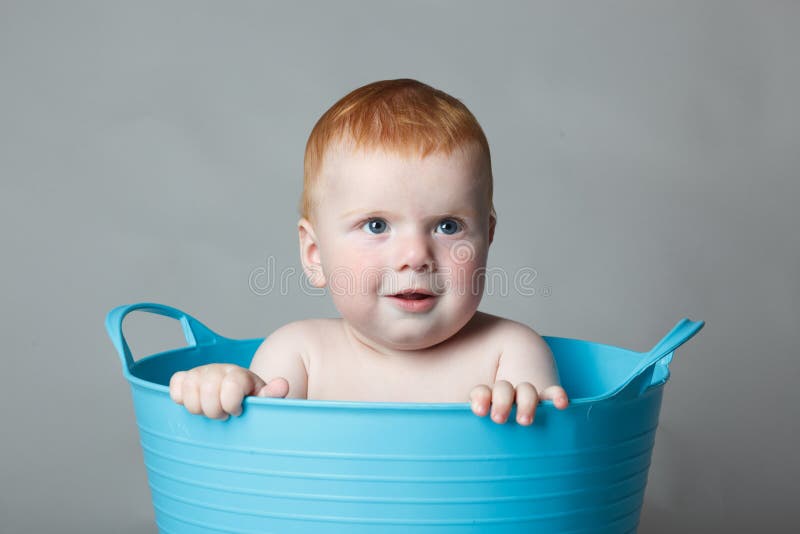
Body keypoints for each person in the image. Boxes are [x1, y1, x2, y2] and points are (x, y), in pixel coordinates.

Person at [169, 79, 569, 425]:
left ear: (488, 237)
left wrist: (519, 406)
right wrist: (225, 390)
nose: (415, 255)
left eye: (448, 226)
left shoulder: (510, 351)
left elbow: (544, 459)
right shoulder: (300, 355)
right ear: (314, 254)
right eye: (376, 225)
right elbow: (256, 457)